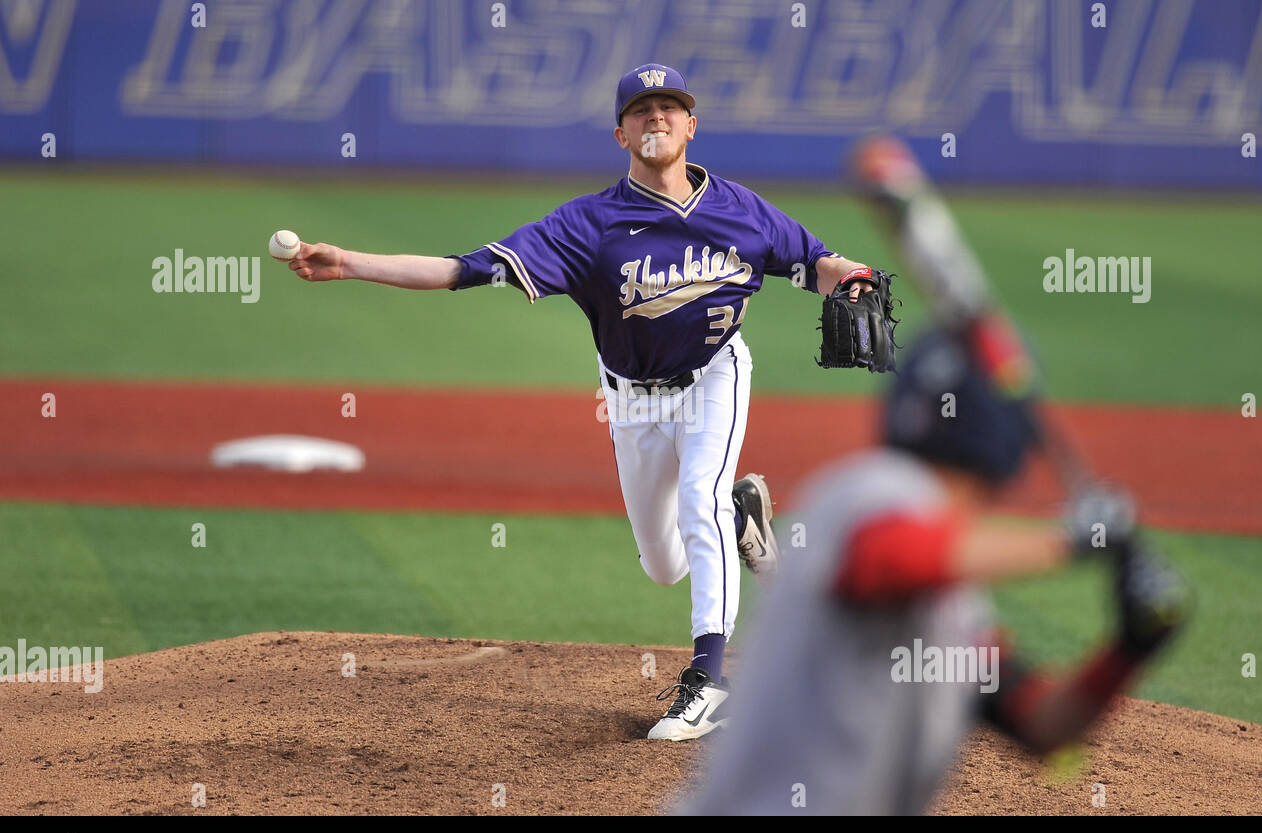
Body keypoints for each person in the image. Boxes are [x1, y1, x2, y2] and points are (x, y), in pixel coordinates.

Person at [283, 64, 887, 741]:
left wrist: (854, 274)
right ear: (620, 132)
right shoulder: (587, 225)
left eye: (669, 107)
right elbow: (464, 269)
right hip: (630, 402)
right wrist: (353, 263)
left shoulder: (742, 210)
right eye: (641, 110)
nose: (656, 118)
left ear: (692, 125)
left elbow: (817, 262)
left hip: (716, 376)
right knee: (662, 565)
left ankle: (710, 680)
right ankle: (744, 517)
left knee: (699, 499)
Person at [680, 138, 1189, 814]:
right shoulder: (867, 499)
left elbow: (1046, 727)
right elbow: (883, 561)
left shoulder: (949, 601)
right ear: (1006, 449)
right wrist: (1074, 542)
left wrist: (1128, 648)